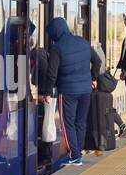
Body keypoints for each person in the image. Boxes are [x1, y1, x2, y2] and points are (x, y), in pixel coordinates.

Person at [40, 16, 102, 166]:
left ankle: (74, 156)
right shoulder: (82, 41)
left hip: (68, 91)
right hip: (86, 90)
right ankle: (77, 152)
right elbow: (98, 61)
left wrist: (47, 92)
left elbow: (52, 73)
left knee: (68, 124)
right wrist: (93, 78)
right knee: (80, 122)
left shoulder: (57, 47)